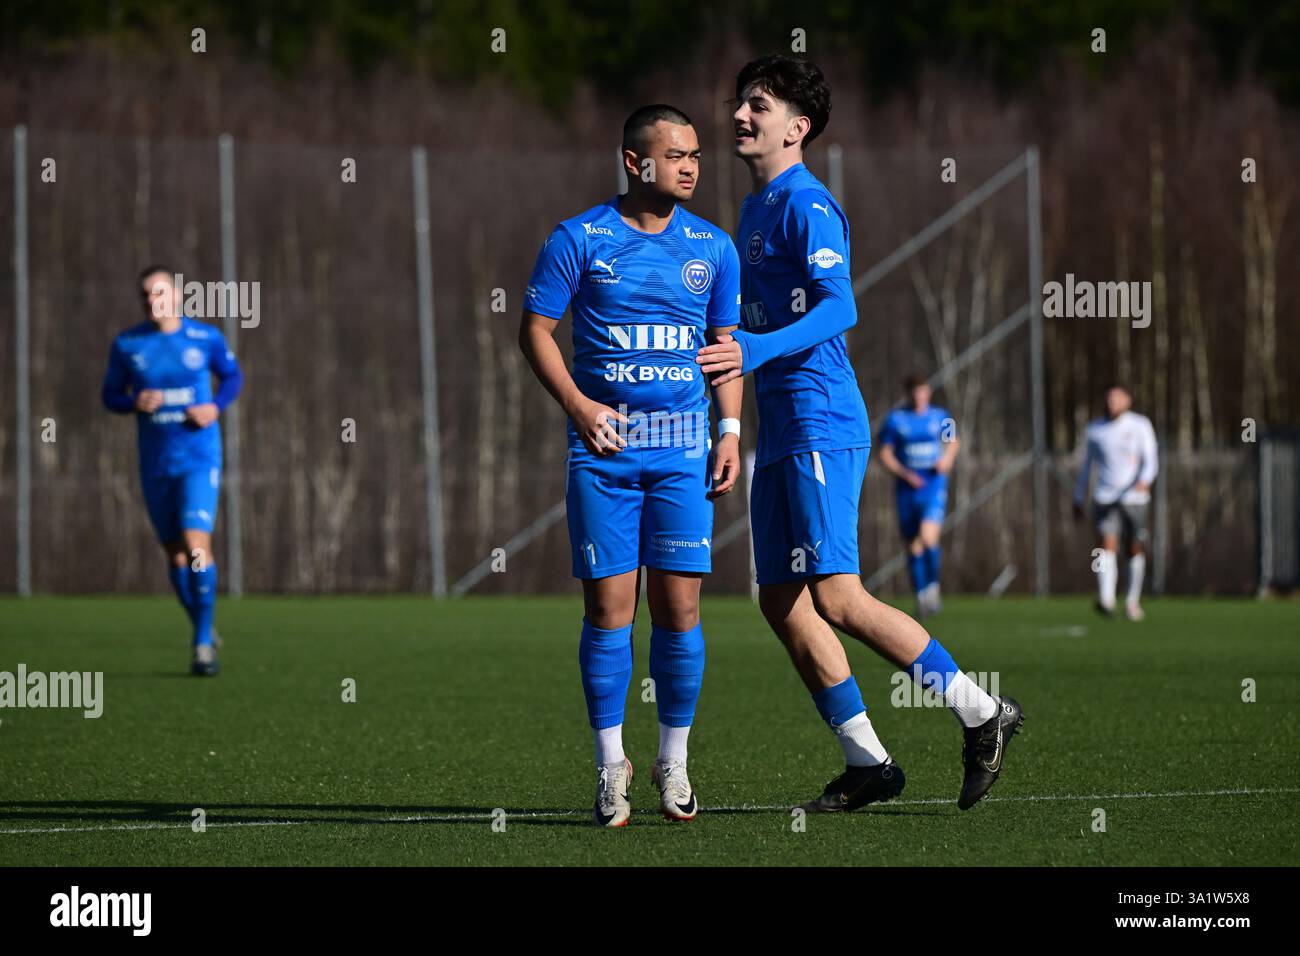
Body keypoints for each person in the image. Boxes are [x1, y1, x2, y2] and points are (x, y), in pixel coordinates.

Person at [696, 55, 1023, 812]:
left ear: (798, 127)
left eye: (759, 104)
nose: (741, 115)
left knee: (837, 595)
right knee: (779, 600)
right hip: (778, 427)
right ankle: (869, 761)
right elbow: (749, 331)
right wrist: (733, 423)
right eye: (740, 102)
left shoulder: (807, 203)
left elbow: (840, 308)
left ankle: (981, 711)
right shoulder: (752, 211)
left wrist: (754, 349)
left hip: (820, 417)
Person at [519, 105, 743, 826]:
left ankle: (673, 761)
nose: (690, 166)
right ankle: (610, 765)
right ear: (633, 161)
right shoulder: (578, 238)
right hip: (603, 454)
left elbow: (725, 347)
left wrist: (731, 429)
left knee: (680, 609)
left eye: (697, 155)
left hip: (683, 451)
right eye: (675, 154)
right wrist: (581, 407)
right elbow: (535, 331)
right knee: (609, 611)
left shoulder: (714, 247)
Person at [102, 266, 242, 675]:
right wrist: (132, 403)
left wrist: (215, 406)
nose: (153, 300)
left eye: (160, 292)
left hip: (199, 459)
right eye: (146, 294)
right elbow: (109, 394)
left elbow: (233, 376)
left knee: (197, 547)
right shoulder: (128, 344)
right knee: (178, 557)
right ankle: (203, 624)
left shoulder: (204, 338)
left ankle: (201, 646)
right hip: (155, 462)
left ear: (177, 296)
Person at [1073, 385, 1159, 621]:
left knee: (1134, 547)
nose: (1112, 403)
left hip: (1134, 499)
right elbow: (1087, 467)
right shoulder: (1096, 430)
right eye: (1109, 399)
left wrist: (1145, 479)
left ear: (1127, 401)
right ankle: (1106, 598)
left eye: (1117, 399)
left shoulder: (1140, 425)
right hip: (1105, 498)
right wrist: (1078, 496)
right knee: (1105, 545)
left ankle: (1132, 602)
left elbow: (1151, 458)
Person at [878, 375, 959, 617]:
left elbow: (953, 442)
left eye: (922, 390)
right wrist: (903, 473)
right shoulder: (895, 419)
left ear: (928, 391)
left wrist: (946, 460)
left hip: (933, 487)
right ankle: (922, 595)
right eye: (914, 391)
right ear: (908, 392)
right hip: (907, 489)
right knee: (913, 545)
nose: (919, 395)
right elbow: (884, 453)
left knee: (928, 536)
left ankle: (933, 588)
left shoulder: (941, 415)